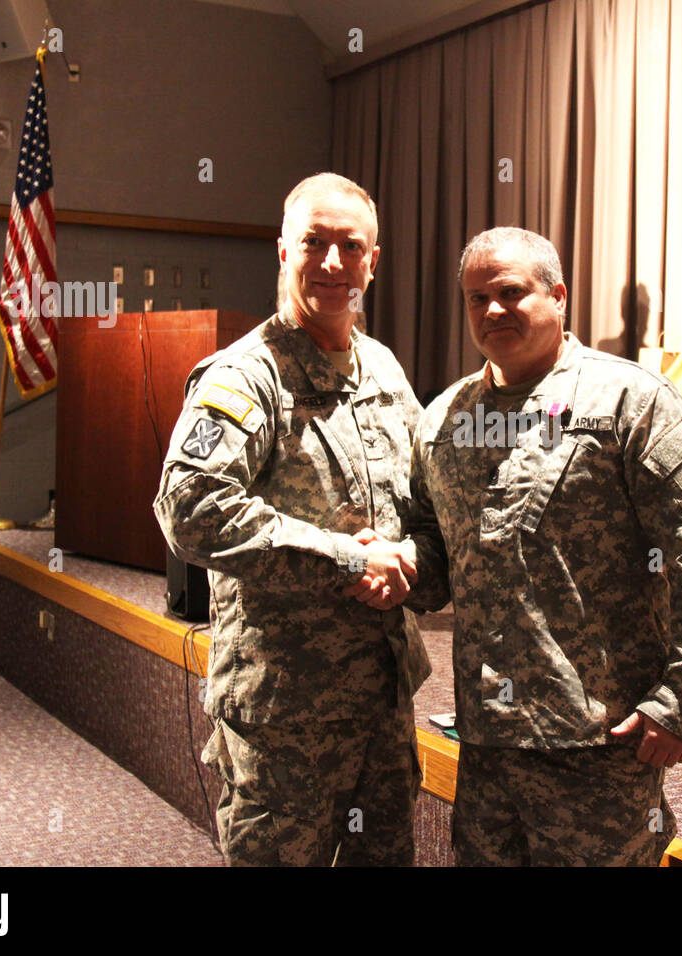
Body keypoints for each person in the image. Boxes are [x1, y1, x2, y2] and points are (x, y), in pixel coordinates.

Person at [381, 226, 682, 866]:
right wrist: (393, 564)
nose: (493, 310)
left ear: (558, 297)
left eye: (511, 292)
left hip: (599, 747)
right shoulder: (445, 420)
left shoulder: (631, 403)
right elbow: (436, 554)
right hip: (487, 741)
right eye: (477, 298)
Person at [153, 173, 445, 866]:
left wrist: (408, 566)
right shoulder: (244, 376)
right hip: (285, 714)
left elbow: (425, 510)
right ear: (283, 251)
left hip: (380, 701)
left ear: (374, 261)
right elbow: (191, 510)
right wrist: (347, 558)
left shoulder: (383, 370)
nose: (335, 263)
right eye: (315, 242)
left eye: (353, 246)